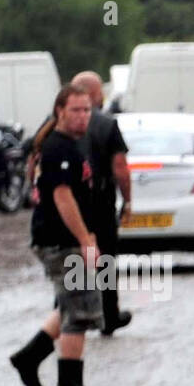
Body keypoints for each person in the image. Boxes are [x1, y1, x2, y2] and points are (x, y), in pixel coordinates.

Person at [9, 84, 107, 386]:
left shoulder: (66, 144)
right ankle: (69, 385)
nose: (82, 116)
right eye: (76, 110)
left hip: (64, 239)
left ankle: (29, 356)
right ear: (60, 111)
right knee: (79, 311)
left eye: (87, 110)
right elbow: (62, 197)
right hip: (61, 242)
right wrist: (85, 240)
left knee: (69, 303)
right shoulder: (58, 148)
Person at [71, 70, 132, 334]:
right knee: (105, 258)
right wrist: (127, 200)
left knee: (74, 255)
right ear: (95, 94)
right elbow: (120, 167)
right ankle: (108, 315)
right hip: (101, 202)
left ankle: (72, 313)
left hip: (69, 203)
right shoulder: (107, 124)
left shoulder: (56, 121)